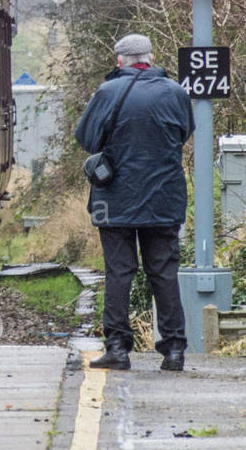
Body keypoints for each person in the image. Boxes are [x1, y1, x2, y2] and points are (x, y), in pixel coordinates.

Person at [75, 33, 194, 371]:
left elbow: (86, 138)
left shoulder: (108, 92)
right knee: (164, 272)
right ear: (151, 58)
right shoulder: (175, 92)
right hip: (164, 198)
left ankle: (117, 348)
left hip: (116, 201)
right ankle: (173, 350)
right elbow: (184, 133)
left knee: (120, 272)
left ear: (119, 61)